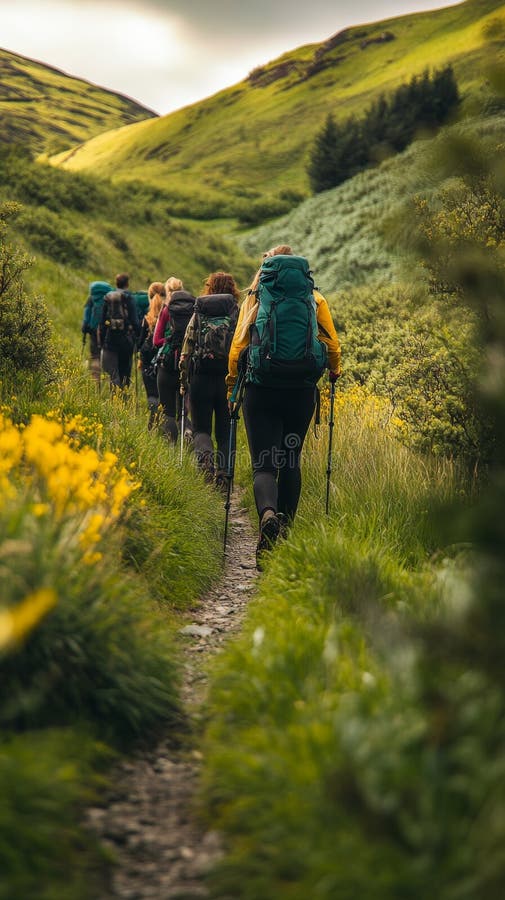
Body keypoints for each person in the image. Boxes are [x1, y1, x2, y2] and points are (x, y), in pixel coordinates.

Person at [226, 245, 342, 568]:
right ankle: (286, 535)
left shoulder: (255, 298)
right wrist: (334, 370)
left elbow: (238, 348)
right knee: (291, 459)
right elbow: (332, 344)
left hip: (261, 391)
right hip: (301, 392)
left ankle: (266, 516)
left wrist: (232, 388)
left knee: (264, 464)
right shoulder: (313, 299)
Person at [180, 272, 240, 490]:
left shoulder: (200, 309)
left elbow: (187, 346)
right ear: (232, 288)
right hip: (227, 379)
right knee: (225, 430)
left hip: (200, 377)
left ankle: (205, 461)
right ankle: (224, 475)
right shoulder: (236, 311)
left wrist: (183, 379)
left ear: (209, 287)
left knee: (201, 428)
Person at [153, 276, 195, 442]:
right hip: (188, 364)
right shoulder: (194, 309)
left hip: (168, 364)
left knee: (168, 410)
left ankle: (171, 445)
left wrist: (170, 340)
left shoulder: (166, 310)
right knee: (184, 409)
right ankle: (188, 431)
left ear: (168, 291)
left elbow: (156, 341)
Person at [98, 273, 140, 392]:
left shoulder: (108, 297)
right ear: (127, 283)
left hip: (110, 340)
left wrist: (102, 341)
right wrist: (138, 340)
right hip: (126, 342)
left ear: (116, 283)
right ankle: (124, 400)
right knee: (124, 372)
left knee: (113, 373)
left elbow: (102, 322)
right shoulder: (129, 298)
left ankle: (115, 400)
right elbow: (135, 322)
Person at [137, 281, 165, 429]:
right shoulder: (167, 316)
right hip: (163, 361)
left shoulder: (147, 319)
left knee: (152, 395)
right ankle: (162, 425)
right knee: (163, 396)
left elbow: (140, 342)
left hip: (147, 361)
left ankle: (152, 425)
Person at [81, 280, 112, 385]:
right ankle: (109, 381)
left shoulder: (91, 299)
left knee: (95, 355)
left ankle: (96, 381)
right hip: (107, 330)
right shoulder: (109, 299)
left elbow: (86, 315)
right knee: (108, 355)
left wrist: (85, 328)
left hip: (94, 331)